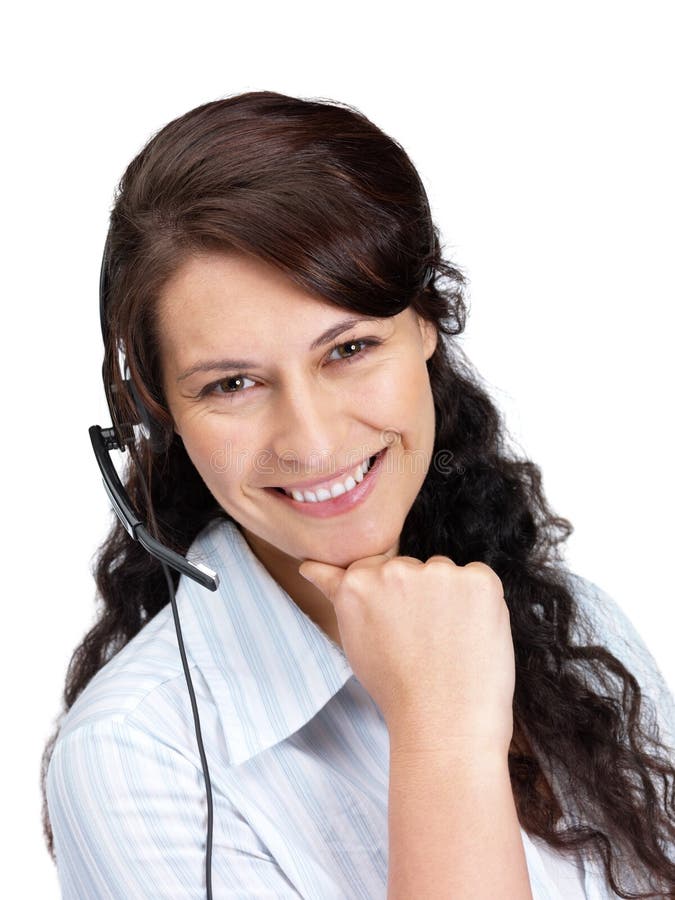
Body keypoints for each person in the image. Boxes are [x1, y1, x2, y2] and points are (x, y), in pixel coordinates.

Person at [42, 90, 675, 898]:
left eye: (348, 349)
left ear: (425, 326)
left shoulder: (574, 631)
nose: (309, 441)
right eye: (231, 383)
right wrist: (442, 740)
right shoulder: (134, 757)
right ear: (158, 414)